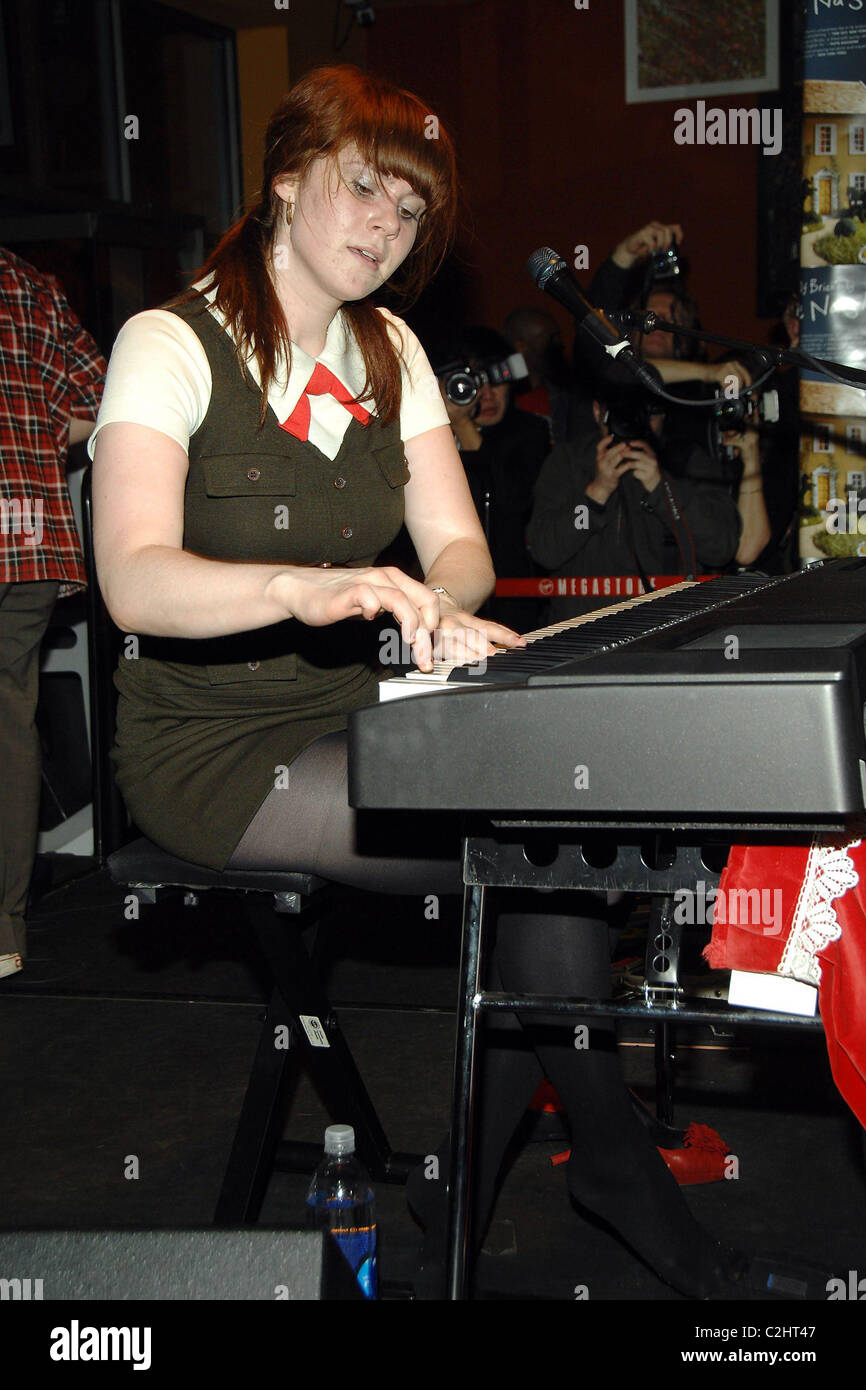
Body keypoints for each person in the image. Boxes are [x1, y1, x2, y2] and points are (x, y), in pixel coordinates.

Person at [91, 65, 778, 1300]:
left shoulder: (390, 346)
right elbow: (135, 583)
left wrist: (438, 610)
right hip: (212, 746)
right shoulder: (169, 341)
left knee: (549, 837)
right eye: (363, 188)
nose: (385, 228)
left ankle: (499, 1177)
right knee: (531, 851)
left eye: (409, 210)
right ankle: (593, 1170)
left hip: (358, 710)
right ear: (287, 178)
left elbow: (459, 549)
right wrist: (311, 586)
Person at [0, 248, 105, 981]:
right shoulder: (26, 282)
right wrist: (31, 438)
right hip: (25, 534)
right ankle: (2, 936)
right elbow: (96, 405)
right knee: (8, 722)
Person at [527, 386, 742, 621]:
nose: (635, 423)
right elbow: (544, 550)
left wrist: (662, 489)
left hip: (665, 629)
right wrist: (595, 496)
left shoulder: (687, 462)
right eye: (623, 413)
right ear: (598, 411)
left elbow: (721, 548)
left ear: (664, 414)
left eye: (648, 412)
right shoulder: (568, 462)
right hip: (582, 631)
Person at [436, 326, 549, 629]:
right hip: (447, 594)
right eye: (472, 382)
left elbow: (514, 499)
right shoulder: (429, 437)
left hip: (516, 600)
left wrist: (464, 427)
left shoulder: (530, 431)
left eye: (495, 381)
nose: (486, 394)